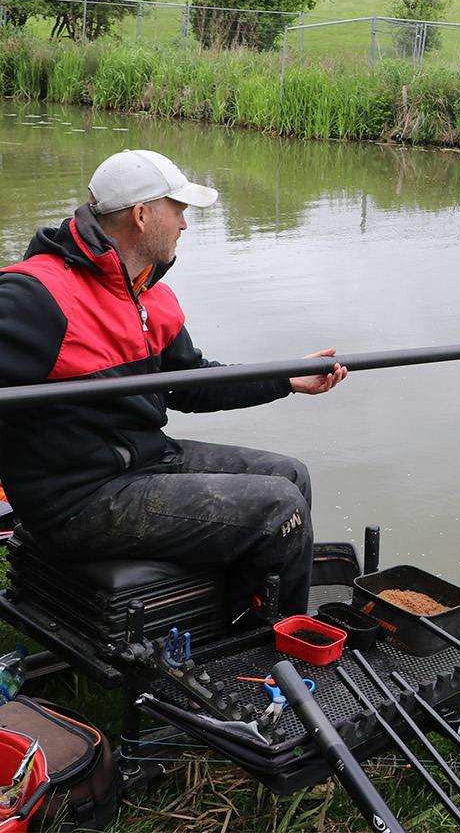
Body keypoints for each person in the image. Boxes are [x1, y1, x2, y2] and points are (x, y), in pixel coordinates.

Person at [0, 149, 347, 617]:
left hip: (144, 462)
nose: (185, 224)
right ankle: (274, 658)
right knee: (278, 508)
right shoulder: (38, 296)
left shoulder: (147, 293)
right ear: (142, 215)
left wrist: (283, 378)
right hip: (79, 500)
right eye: (178, 210)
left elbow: (189, 385)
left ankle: (246, 625)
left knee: (289, 476)